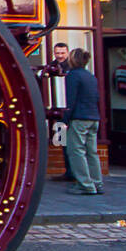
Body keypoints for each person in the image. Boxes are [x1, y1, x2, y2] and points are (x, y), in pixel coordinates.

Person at [63, 48, 103, 195]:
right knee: (92, 152)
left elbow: (71, 100)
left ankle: (85, 185)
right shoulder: (90, 76)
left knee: (76, 151)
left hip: (79, 118)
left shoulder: (72, 75)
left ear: (73, 60)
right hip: (94, 117)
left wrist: (65, 119)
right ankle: (97, 183)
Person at [50, 43, 76, 182]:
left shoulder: (72, 68)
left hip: (69, 111)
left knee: (73, 144)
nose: (59, 56)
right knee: (63, 142)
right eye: (57, 53)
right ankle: (68, 171)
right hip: (57, 110)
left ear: (67, 52)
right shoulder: (51, 66)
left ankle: (73, 172)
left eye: (62, 53)